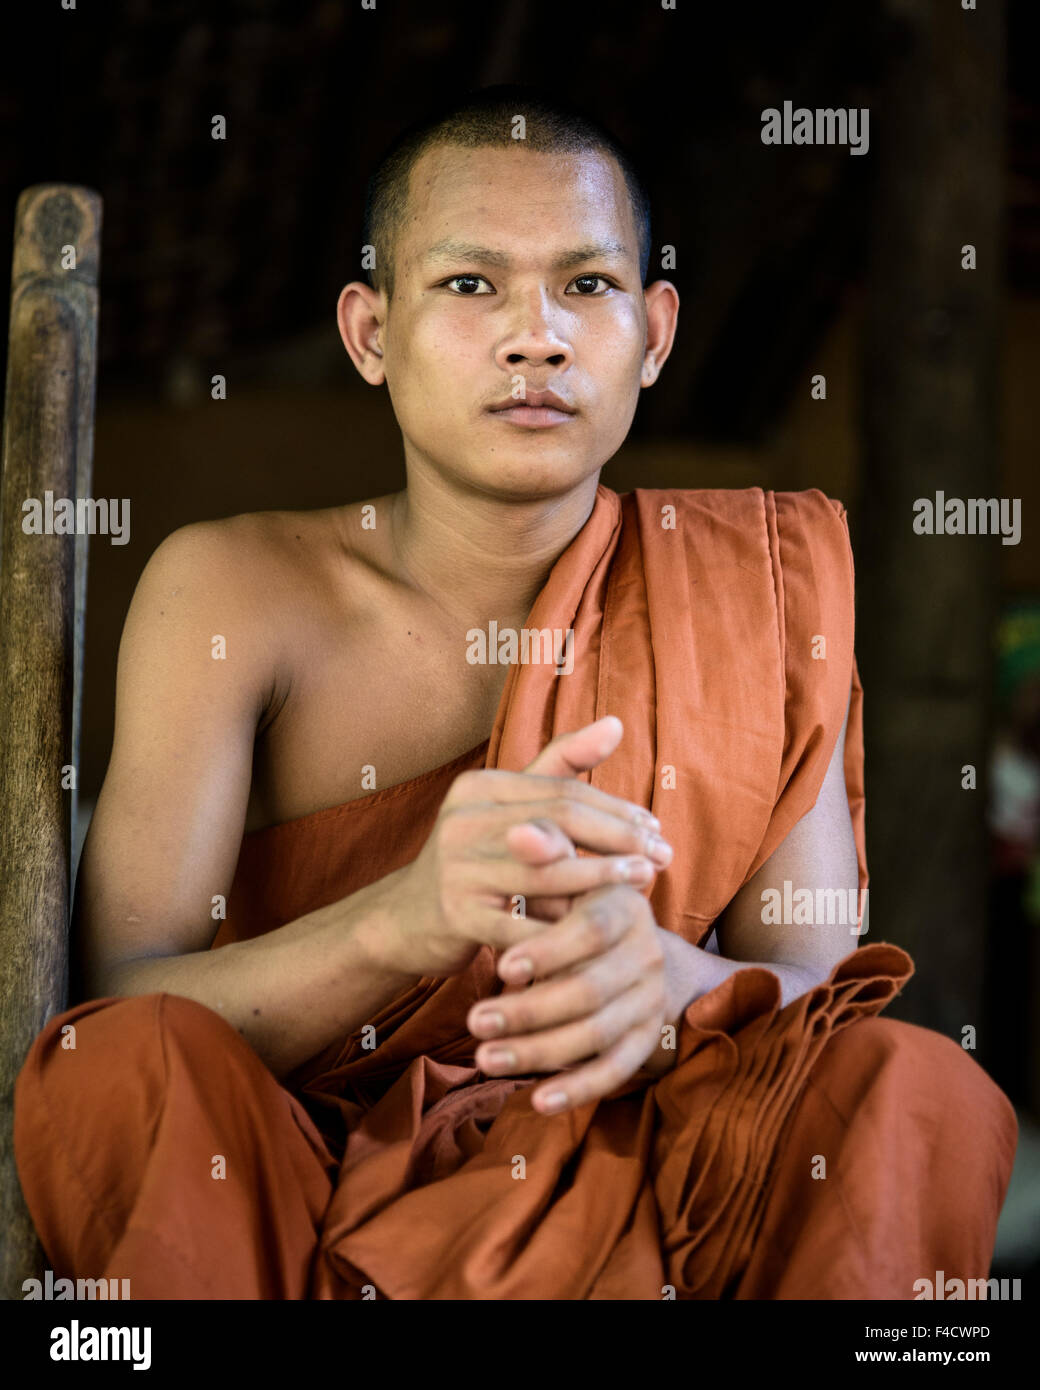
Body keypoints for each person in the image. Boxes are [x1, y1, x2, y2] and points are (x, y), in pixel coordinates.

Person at [14, 84, 1017, 1300]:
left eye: (585, 286)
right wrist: (403, 919)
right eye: (470, 283)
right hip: (294, 1185)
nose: (534, 334)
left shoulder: (756, 586)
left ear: (652, 333)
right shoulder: (234, 589)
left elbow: (806, 992)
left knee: (907, 1085)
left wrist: (668, 988)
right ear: (370, 332)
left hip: (630, 1169)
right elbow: (122, 992)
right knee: (120, 1067)